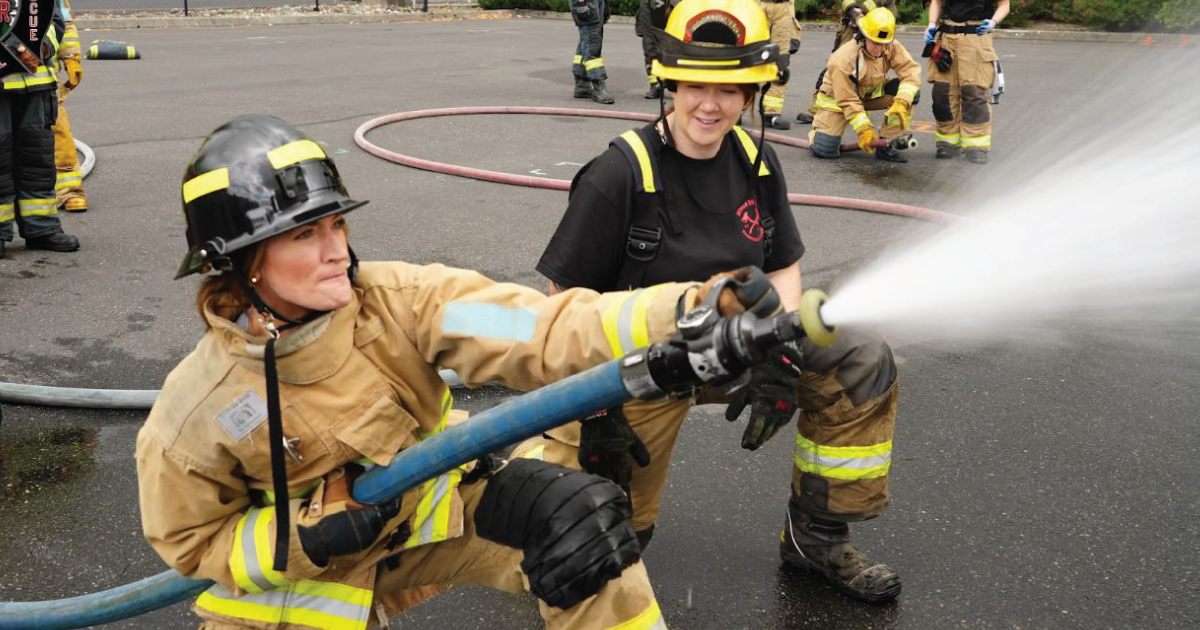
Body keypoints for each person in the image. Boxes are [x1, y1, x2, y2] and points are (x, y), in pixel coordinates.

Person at [136, 114, 772, 630]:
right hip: (302, 588)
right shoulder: (195, 410)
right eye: (304, 236)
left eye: (337, 223)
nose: (336, 250)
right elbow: (191, 542)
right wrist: (309, 538)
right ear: (241, 261)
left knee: (584, 533)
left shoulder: (400, 303)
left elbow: (539, 328)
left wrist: (688, 309)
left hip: (428, 514)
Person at [536, 0, 903, 603]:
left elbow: (781, 265)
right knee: (599, 558)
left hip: (737, 347)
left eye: (729, 89)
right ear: (669, 85)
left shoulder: (756, 161)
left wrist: (782, 351)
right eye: (696, 86)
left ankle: (816, 536)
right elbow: (563, 306)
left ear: (751, 93)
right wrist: (596, 411)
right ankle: (537, 467)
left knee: (859, 355)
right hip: (635, 373)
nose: (711, 104)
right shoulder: (619, 173)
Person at [0, 1, 80, 259]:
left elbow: (54, 21)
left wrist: (42, 47)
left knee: (38, 157)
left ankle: (42, 227)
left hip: (37, 82)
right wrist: (16, 47)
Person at [807, 6, 920, 163]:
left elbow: (911, 72)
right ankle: (817, 134)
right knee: (825, 149)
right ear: (864, 35)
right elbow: (847, 99)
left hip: (866, 96)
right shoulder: (843, 58)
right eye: (875, 43)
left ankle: (888, 143)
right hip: (837, 101)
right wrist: (864, 129)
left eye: (883, 43)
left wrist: (901, 101)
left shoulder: (890, 45)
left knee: (910, 92)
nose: (879, 48)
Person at [924, 0, 1009, 163]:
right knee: (943, 93)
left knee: (974, 92)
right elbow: (937, 2)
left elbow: (1004, 5)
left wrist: (993, 22)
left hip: (976, 38)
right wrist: (932, 24)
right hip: (947, 39)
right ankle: (947, 142)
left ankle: (976, 145)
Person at [794, 0, 886, 125]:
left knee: (847, 72)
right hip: (851, 28)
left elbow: (883, 5)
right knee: (843, 71)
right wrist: (854, 13)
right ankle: (851, 109)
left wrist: (862, 16)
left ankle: (822, 111)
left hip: (866, 30)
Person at [53, 0, 87, 213]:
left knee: (59, 131)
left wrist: (71, 57)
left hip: (42, 75)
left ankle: (70, 191)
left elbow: (63, 20)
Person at [758, 0, 802, 130]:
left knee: (780, 63)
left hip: (782, 10)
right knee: (745, 57)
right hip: (754, 5)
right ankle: (736, 110)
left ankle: (771, 113)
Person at [572, 0, 614, 104]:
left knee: (586, 42)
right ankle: (598, 86)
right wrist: (581, 3)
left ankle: (582, 84)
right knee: (592, 44)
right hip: (587, 3)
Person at [635, 0, 677, 99]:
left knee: (674, 44)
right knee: (650, 47)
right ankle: (655, 85)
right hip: (650, 5)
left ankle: (674, 83)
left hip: (673, 4)